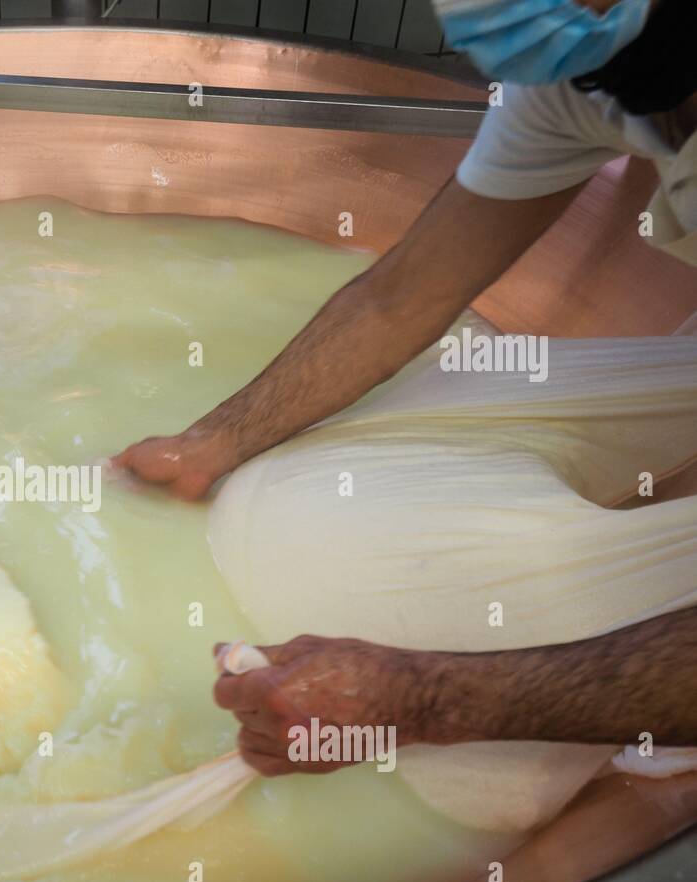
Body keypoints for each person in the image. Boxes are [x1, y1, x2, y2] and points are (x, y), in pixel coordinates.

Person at [111, 0, 697, 776]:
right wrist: (213, 441)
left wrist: (428, 700)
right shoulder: (587, 82)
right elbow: (401, 296)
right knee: (302, 497)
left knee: (489, 778)